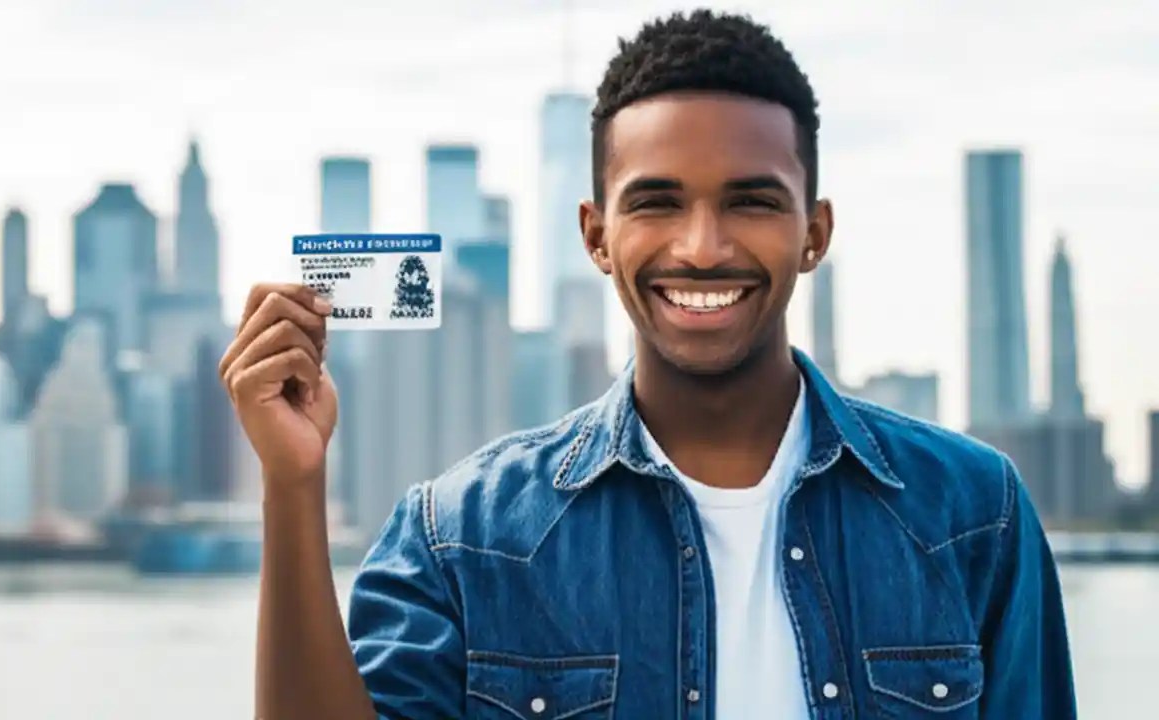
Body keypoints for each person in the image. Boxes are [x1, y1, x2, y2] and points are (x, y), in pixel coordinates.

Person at [220, 9, 1076, 719]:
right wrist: (292, 483)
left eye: (751, 201)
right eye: (657, 203)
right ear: (597, 236)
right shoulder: (463, 538)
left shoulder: (974, 513)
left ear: (814, 233)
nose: (701, 248)